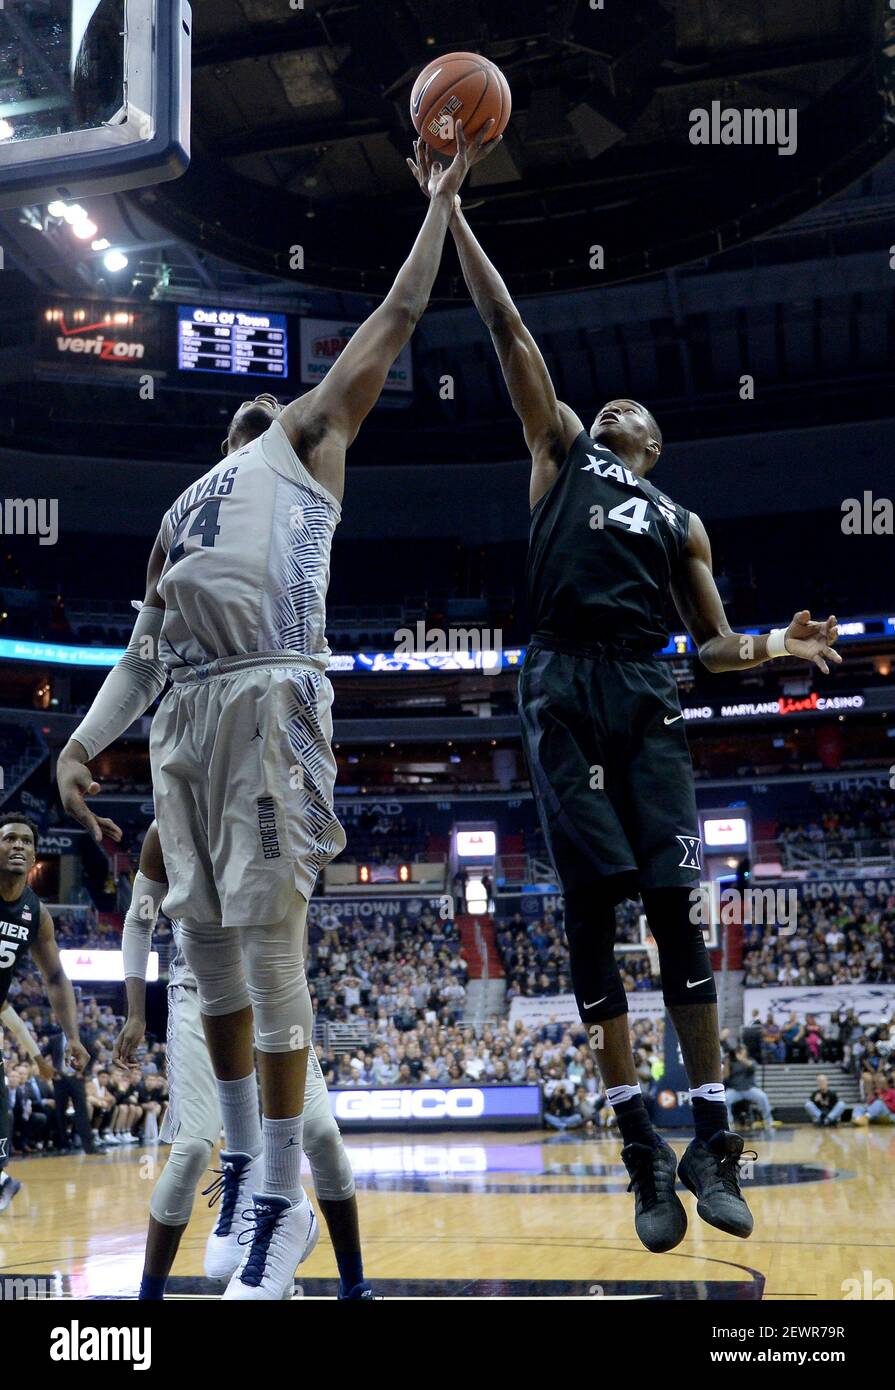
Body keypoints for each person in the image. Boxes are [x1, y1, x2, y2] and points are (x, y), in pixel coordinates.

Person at [57, 125, 498, 1298]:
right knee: (206, 939)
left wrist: (440, 207)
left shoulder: (304, 440)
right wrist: (83, 741)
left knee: (266, 940)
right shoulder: (182, 506)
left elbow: (393, 321)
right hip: (184, 717)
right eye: (250, 403)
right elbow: (142, 649)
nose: (265, 404)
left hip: (271, 688)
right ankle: (257, 1181)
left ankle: (277, 1200)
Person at [406, 144, 842, 1254]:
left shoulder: (679, 519)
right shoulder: (555, 447)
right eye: (604, 407)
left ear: (653, 446)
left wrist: (775, 647)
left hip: (647, 690)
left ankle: (712, 1137)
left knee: (674, 910)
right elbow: (510, 332)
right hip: (560, 680)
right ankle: (640, 1149)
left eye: (630, 413)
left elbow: (712, 647)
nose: (612, 408)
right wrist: (452, 209)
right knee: (593, 920)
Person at [115, 821, 372, 1300]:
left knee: (320, 1134)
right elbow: (139, 919)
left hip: (269, 990)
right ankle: (150, 1294)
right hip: (196, 994)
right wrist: (135, 1011)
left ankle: (354, 1283)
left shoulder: (271, 813)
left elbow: (298, 916)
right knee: (192, 1149)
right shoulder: (163, 829)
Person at [0, 815, 91, 1210]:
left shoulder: (35, 914)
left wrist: (72, 1036)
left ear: (35, 853)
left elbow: (55, 977)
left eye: (25, 841)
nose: (17, 845)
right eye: (8, 839)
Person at [724, 1046, 774, 1129]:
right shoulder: (732, 1062)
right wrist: (727, 1062)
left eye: (742, 1050)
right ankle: (729, 1123)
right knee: (724, 1099)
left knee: (763, 1097)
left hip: (749, 1089)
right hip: (735, 1090)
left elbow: (753, 1067)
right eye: (738, 1051)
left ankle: (768, 1121)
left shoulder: (750, 1060)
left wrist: (741, 1059)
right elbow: (726, 1076)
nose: (739, 1052)